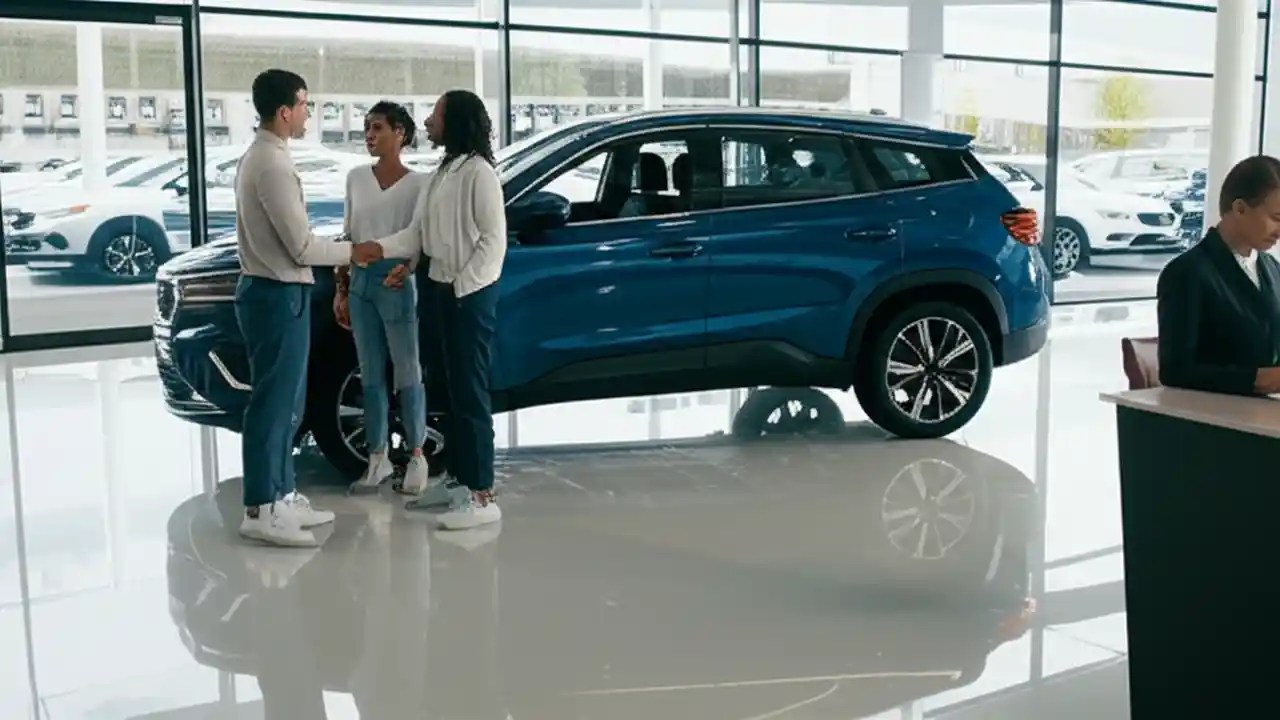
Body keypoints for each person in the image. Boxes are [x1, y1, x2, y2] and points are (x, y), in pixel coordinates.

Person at [235, 68, 382, 547]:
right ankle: (261, 508)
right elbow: (300, 247)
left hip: (281, 292)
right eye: (304, 104)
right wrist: (353, 251)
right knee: (274, 405)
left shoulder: (268, 156)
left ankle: (281, 494)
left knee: (289, 403)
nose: (307, 113)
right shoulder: (271, 164)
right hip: (276, 293)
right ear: (284, 111)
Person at [372, 89, 505, 531]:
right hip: (437, 290)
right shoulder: (443, 170)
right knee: (446, 390)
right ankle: (459, 482)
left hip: (466, 295)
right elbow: (418, 233)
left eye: (435, 115)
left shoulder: (480, 173)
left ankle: (482, 495)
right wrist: (394, 257)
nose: (426, 122)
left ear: (456, 121)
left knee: (470, 394)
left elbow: (493, 242)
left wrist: (462, 288)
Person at [335, 101, 441, 496]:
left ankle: (416, 454)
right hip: (360, 282)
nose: (369, 134)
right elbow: (348, 235)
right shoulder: (355, 177)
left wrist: (408, 267)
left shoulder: (420, 184)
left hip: (395, 281)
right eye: (366, 127)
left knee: (407, 370)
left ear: (400, 133)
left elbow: (418, 235)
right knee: (370, 371)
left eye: (377, 127)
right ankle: (377, 457)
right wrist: (342, 287)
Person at [1157, 154, 1280, 396]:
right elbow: (1175, 371)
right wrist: (1256, 379)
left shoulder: (1273, 268)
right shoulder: (1186, 273)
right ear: (1240, 209)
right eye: (1276, 218)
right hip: (1215, 421)